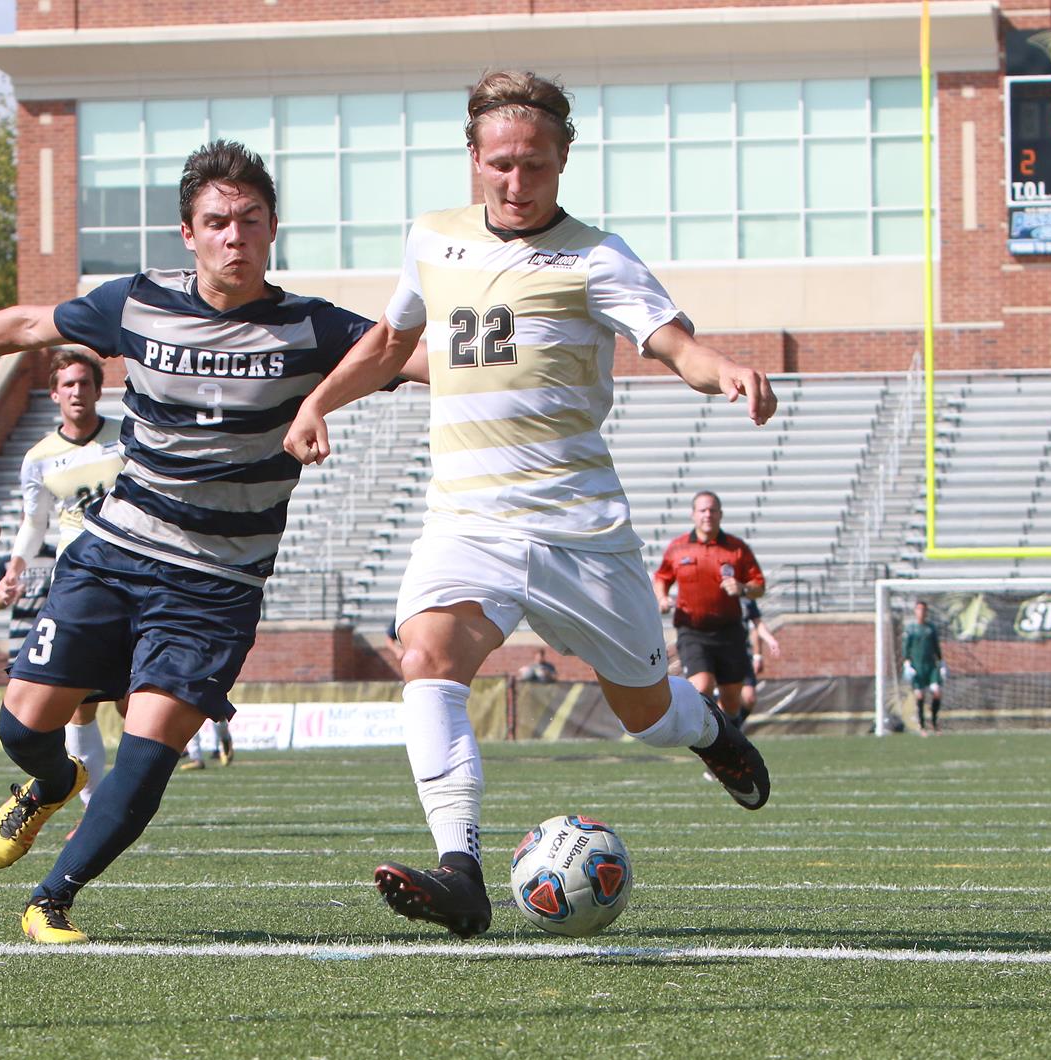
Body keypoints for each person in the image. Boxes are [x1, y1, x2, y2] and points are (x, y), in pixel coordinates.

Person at [0, 140, 422, 944]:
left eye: (250, 221)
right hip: (115, 553)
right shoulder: (136, 302)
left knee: (151, 753)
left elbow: (415, 355)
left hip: (216, 588)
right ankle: (52, 780)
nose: (236, 236)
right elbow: (27, 321)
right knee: (20, 727)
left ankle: (51, 898)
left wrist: (523, 352)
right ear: (187, 233)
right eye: (218, 222)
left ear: (272, 230)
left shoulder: (314, 327)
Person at [284, 70, 776, 940]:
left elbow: (673, 343)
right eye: (503, 165)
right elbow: (395, 340)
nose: (518, 184)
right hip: (467, 518)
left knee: (649, 713)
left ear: (564, 161)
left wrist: (725, 371)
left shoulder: (597, 256)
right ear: (473, 158)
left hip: (579, 532)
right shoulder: (431, 239)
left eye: (537, 167)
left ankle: (712, 736)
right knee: (425, 653)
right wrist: (321, 400)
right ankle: (461, 872)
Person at [0, 349, 127, 808]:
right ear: (54, 393)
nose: (76, 391)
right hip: (77, 588)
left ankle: (127, 804)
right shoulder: (38, 458)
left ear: (97, 388)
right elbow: (35, 522)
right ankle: (93, 811)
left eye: (84, 383)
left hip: (132, 581)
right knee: (79, 704)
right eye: (67, 384)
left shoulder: (125, 438)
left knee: (134, 702)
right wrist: (15, 567)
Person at [654, 491, 767, 723]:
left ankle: (728, 737)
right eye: (702, 510)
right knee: (702, 686)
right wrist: (662, 598)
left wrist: (743, 588)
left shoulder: (736, 548)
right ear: (693, 515)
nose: (708, 515)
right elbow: (661, 578)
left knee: (733, 699)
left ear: (720, 514)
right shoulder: (678, 548)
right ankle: (706, 739)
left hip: (730, 630)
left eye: (712, 510)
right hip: (692, 631)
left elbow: (759, 585)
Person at [0, 543, 54, 666]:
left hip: (48, 630)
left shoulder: (55, 556)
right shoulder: (8, 561)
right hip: (19, 630)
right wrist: (9, 596)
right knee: (17, 675)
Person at [901, 600, 944, 736]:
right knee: (920, 695)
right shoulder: (910, 629)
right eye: (919, 609)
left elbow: (936, 647)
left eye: (923, 610)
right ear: (915, 611)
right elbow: (905, 648)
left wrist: (942, 663)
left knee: (937, 692)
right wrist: (907, 663)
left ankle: (935, 723)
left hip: (930, 666)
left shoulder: (930, 628)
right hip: (917, 666)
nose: (921, 612)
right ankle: (922, 725)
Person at [738, 597, 780, 727]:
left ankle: (733, 730)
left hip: (741, 655)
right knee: (723, 699)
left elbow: (756, 624)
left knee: (749, 698)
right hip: (718, 652)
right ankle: (722, 733)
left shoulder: (746, 596)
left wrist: (769, 641)